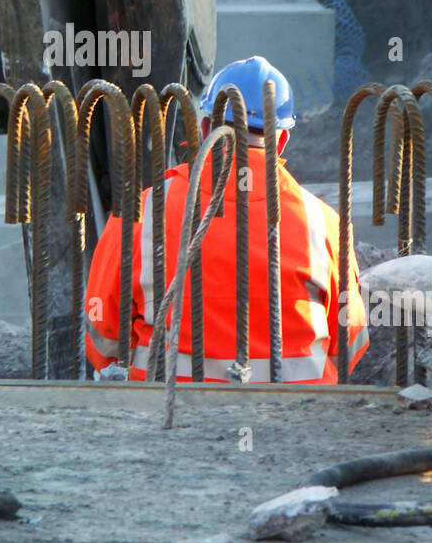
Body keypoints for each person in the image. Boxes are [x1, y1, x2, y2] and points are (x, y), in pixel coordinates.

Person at [85, 55, 368, 383]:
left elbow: (103, 336)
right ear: (281, 140)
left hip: (167, 417)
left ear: (205, 128)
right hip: (296, 419)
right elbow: (350, 341)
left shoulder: (142, 212)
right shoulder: (324, 224)